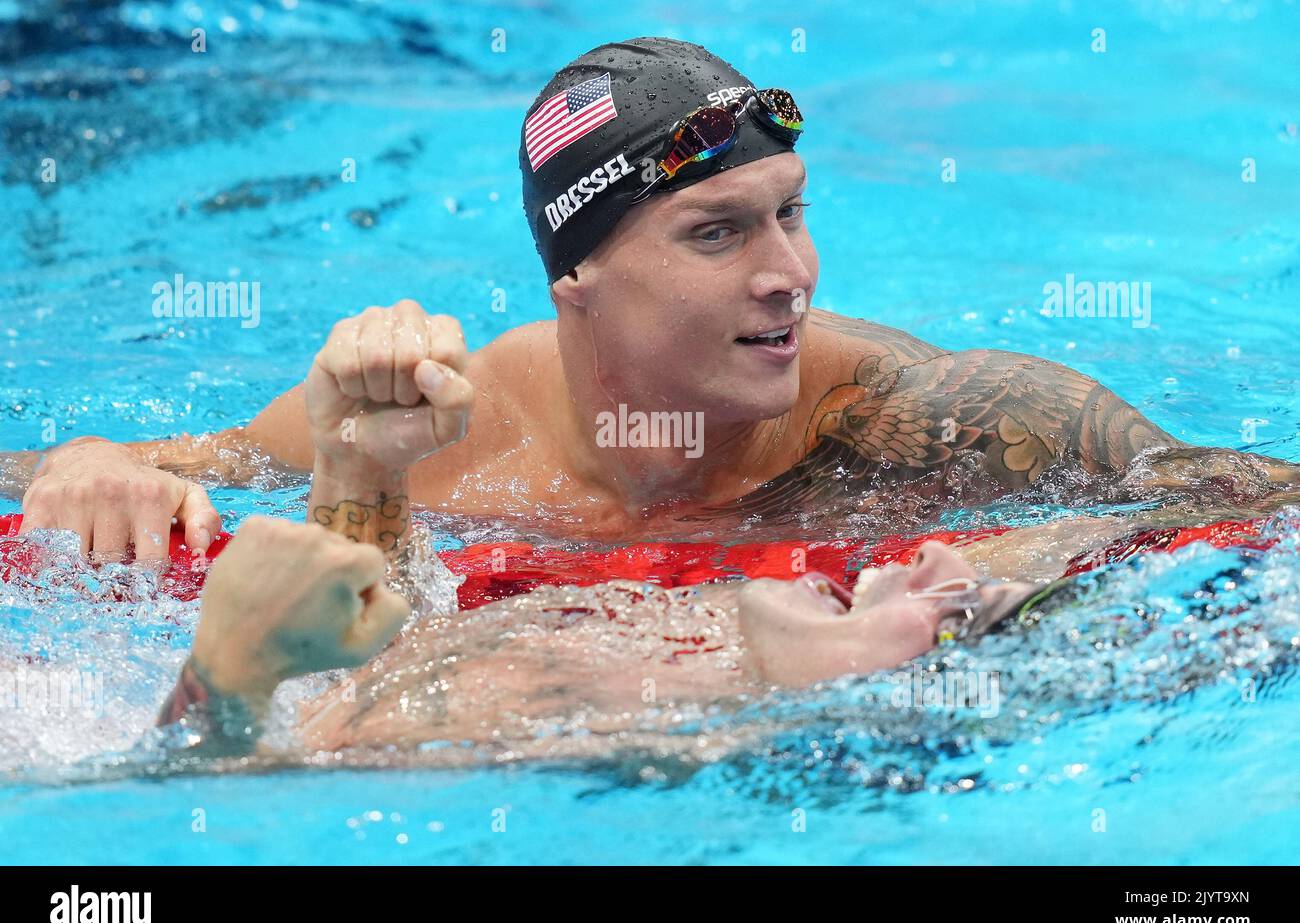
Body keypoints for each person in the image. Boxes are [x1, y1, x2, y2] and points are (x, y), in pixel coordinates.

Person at [5, 37, 1299, 567]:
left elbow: (1195, 480)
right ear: (578, 283)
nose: (788, 271)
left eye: (792, 211)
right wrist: (89, 459)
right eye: (719, 232)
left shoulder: (899, 411)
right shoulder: (458, 416)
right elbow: (150, 461)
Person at [158, 508, 1230, 760]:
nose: (937, 562)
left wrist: (230, 669)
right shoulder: (719, 644)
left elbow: (230, 799)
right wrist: (368, 474)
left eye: (958, 613)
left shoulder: (630, 725)